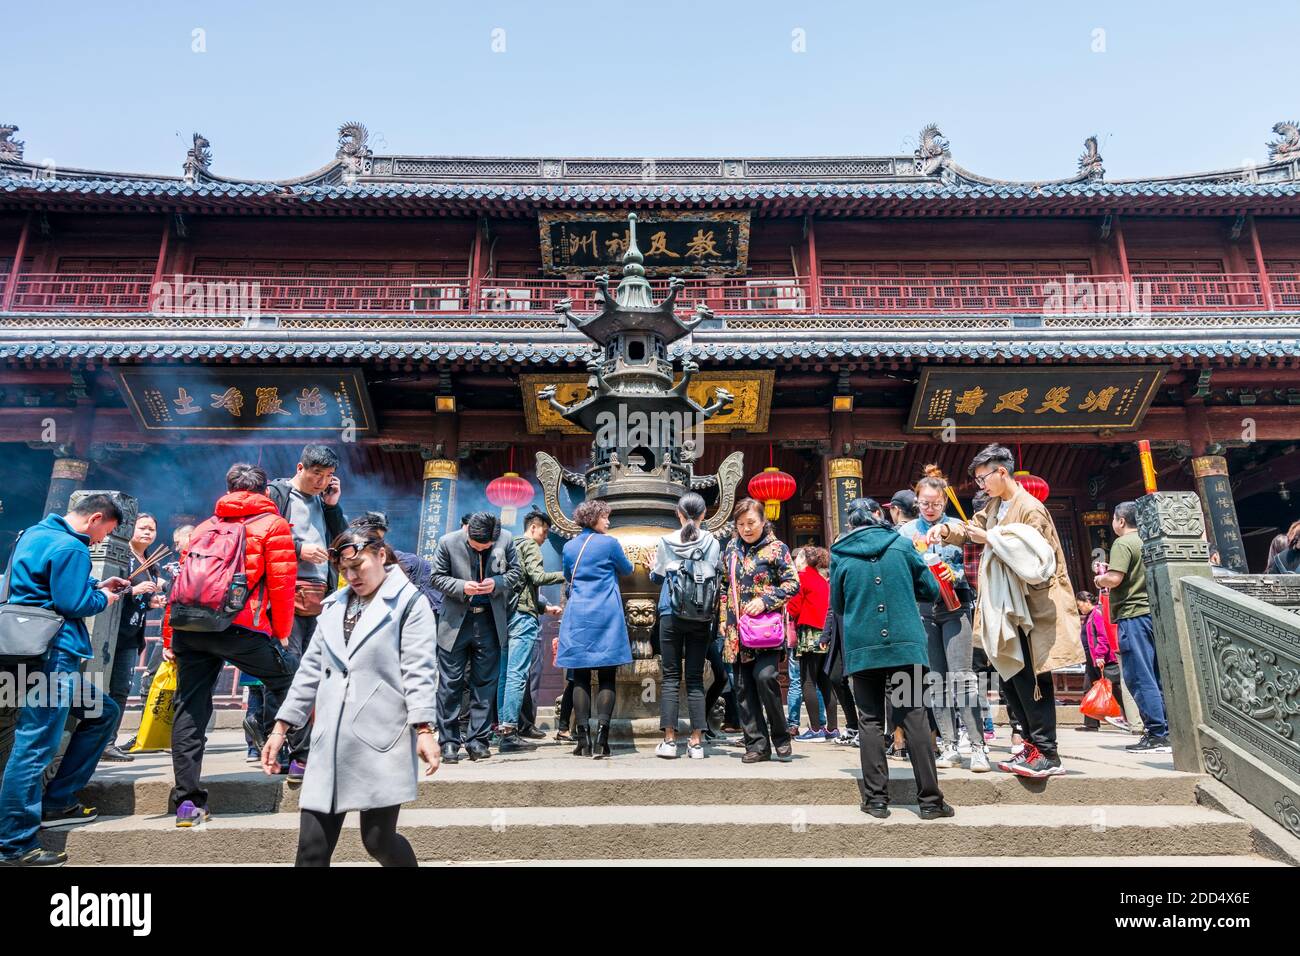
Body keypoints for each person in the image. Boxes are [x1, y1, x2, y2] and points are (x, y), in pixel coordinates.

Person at [264, 527, 439, 867]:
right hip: (329, 742)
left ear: (381, 556)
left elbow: (419, 669)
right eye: (344, 570)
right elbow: (309, 671)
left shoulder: (409, 605)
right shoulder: (331, 607)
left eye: (358, 566)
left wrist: (424, 729)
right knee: (311, 850)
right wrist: (280, 728)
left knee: (378, 841)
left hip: (380, 739)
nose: (351, 576)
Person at [932, 444, 1082, 779]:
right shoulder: (996, 506)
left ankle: (1048, 752)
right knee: (1011, 681)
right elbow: (971, 530)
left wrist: (991, 538)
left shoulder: (1030, 508)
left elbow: (1038, 560)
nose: (981, 486)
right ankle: (1028, 747)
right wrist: (945, 530)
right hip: (1005, 609)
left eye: (984, 478)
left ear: (1002, 472)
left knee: (1033, 680)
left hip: (1030, 607)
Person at [0, 494, 130, 867]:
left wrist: (95, 588)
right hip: (53, 654)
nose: (102, 540)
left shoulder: (32, 534)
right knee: (35, 744)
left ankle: (58, 800)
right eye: (106, 532)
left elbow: (41, 592)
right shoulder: (73, 547)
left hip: (23, 647)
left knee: (103, 711)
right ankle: (14, 844)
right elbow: (74, 604)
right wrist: (104, 597)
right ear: (96, 518)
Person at [166, 463, 298, 826]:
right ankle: (296, 756)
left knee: (190, 709)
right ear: (265, 491)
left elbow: (181, 584)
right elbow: (283, 585)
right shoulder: (273, 525)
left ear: (228, 489)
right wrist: (282, 631)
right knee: (289, 680)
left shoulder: (206, 526)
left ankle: (186, 803)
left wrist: (169, 636)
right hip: (239, 626)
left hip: (190, 628)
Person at [831, 498, 953, 819]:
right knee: (914, 717)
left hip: (863, 648)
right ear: (879, 515)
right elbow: (930, 589)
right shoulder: (902, 545)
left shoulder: (840, 553)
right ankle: (930, 802)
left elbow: (839, 604)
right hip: (905, 647)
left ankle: (876, 801)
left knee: (869, 721)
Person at [898, 468, 989, 773]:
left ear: (944, 503)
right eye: (924, 503)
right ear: (917, 501)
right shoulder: (906, 533)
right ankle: (949, 746)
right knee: (935, 680)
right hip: (924, 609)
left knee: (962, 677)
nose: (930, 509)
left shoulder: (959, 528)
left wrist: (957, 574)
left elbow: (976, 565)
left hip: (956, 605)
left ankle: (978, 747)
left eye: (936, 504)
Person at [267, 444, 347, 783]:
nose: (321, 481)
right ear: (300, 467)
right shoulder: (278, 493)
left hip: (320, 597)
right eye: (317, 474)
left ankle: (301, 750)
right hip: (284, 594)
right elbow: (262, 537)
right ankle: (290, 750)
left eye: (328, 476)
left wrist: (332, 505)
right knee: (290, 671)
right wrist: (299, 549)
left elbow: (342, 541)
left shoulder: (321, 500)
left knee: (317, 673)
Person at [430, 511, 521, 762]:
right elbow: (435, 577)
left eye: (487, 547)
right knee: (450, 684)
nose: (482, 550)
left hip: (489, 621)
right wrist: (461, 587)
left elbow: (517, 573)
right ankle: (448, 741)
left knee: (485, 684)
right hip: (456, 622)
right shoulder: (447, 542)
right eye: (477, 546)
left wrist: (498, 583)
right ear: (468, 530)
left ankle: (478, 740)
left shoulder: (507, 539)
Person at [720, 498, 800, 764]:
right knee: (742, 689)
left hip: (765, 630)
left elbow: (792, 583)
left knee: (765, 678)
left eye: (751, 523)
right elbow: (723, 586)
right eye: (741, 524)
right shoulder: (731, 548)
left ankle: (781, 736)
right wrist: (723, 617)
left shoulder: (777, 549)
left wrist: (765, 601)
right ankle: (757, 744)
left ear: (763, 521)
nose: (746, 528)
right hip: (737, 630)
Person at [557, 500, 633, 758]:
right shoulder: (610, 544)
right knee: (607, 677)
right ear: (593, 519)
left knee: (579, 677)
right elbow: (627, 569)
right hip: (606, 615)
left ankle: (583, 739)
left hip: (579, 616)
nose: (608, 522)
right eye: (605, 517)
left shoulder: (569, 547)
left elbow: (569, 576)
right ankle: (603, 738)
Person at [649, 492, 721, 759]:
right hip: (701, 615)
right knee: (694, 680)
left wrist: (653, 570)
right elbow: (713, 571)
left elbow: (657, 577)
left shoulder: (666, 541)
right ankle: (696, 742)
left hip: (671, 612)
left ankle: (669, 741)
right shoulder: (712, 541)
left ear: (679, 514)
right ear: (704, 515)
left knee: (669, 678)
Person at [1094, 501, 1169, 754]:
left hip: (1133, 614)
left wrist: (1099, 578)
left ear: (1121, 520)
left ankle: (1157, 732)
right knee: (1156, 675)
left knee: (1139, 675)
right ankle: (1166, 729)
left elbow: (1115, 579)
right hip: (1153, 613)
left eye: (1114, 519)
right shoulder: (1148, 540)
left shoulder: (1123, 543)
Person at [101, 512, 166, 763]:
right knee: (100, 687)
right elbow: (105, 585)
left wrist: (151, 601)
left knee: (120, 689)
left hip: (131, 633)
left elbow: (143, 600)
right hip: (110, 631)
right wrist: (133, 589)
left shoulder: (150, 561)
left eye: (152, 529)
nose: (147, 533)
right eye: (142, 528)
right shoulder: (122, 555)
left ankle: (108, 742)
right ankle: (93, 741)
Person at [498, 511, 565, 753]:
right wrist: (566, 574)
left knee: (506, 674)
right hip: (523, 617)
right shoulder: (530, 547)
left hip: (506, 615)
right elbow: (537, 577)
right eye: (545, 531)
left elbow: (521, 583)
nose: (546, 537)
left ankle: (502, 728)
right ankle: (509, 731)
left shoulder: (510, 545)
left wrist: (544, 607)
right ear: (534, 527)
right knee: (518, 674)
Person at [787, 547, 837, 742]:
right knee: (824, 681)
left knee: (807, 681)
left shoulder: (802, 577)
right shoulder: (821, 579)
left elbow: (794, 606)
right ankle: (832, 728)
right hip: (825, 632)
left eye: (798, 558)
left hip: (809, 632)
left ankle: (816, 729)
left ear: (803, 560)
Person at [1075, 590, 1130, 732]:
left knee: (1115, 689)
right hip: (1092, 659)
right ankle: (1091, 724)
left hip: (1103, 659)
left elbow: (1102, 636)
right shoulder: (1089, 616)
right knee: (1089, 689)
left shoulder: (1097, 614)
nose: (1079, 608)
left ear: (1087, 602)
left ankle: (1129, 718)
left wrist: (1100, 655)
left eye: (1080, 604)